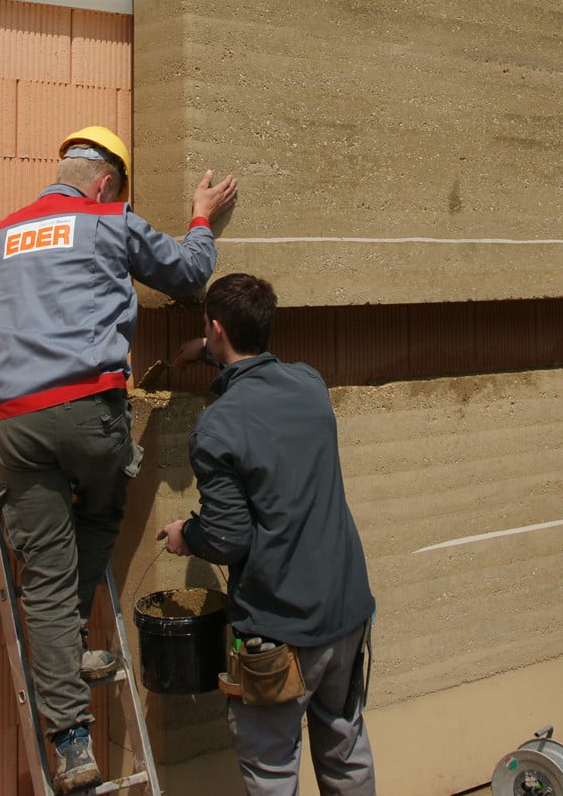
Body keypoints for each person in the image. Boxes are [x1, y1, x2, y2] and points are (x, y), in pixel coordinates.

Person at [0, 126, 237, 792]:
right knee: (106, 506)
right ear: (107, 183)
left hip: (14, 425)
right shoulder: (109, 221)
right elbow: (190, 273)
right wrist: (201, 216)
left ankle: (72, 742)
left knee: (42, 583)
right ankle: (77, 636)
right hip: (88, 410)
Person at [157, 273, 376, 796]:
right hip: (345, 615)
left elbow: (229, 539)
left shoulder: (216, 428)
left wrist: (188, 533)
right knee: (346, 755)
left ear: (215, 328)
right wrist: (210, 354)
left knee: (274, 772)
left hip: (282, 631)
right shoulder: (310, 384)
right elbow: (250, 368)